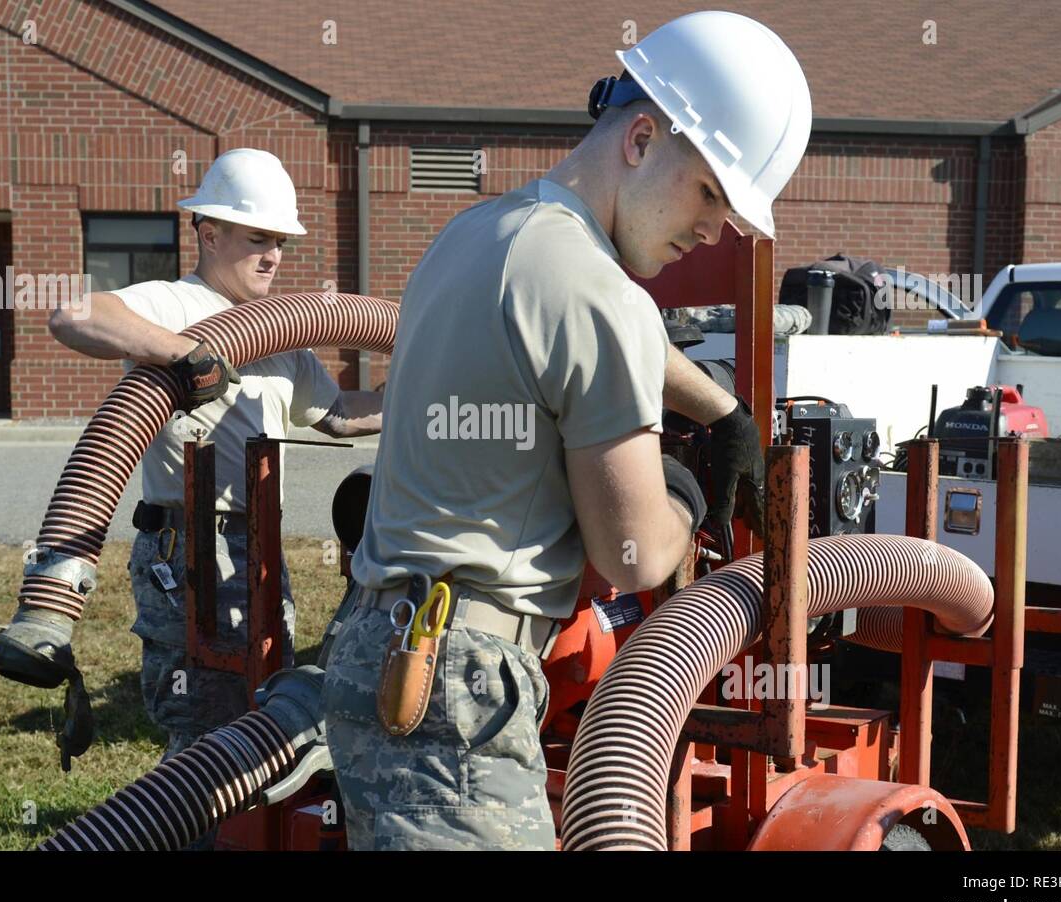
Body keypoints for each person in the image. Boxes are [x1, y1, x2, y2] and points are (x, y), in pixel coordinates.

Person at [320, 11, 811, 850]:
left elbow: (600, 335)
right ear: (644, 136)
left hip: (377, 656)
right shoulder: (598, 290)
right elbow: (634, 556)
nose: (714, 229)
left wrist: (719, 409)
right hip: (463, 694)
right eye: (709, 193)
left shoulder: (475, 236)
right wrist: (683, 495)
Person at [49, 148, 382, 761]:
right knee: (206, 719)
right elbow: (74, 314)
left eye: (280, 241)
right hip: (189, 548)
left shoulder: (283, 329)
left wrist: (420, 398)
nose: (273, 255)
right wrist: (182, 354)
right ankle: (192, 826)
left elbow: (337, 415)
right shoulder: (174, 304)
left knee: (264, 703)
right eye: (258, 237)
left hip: (260, 547)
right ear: (209, 232)